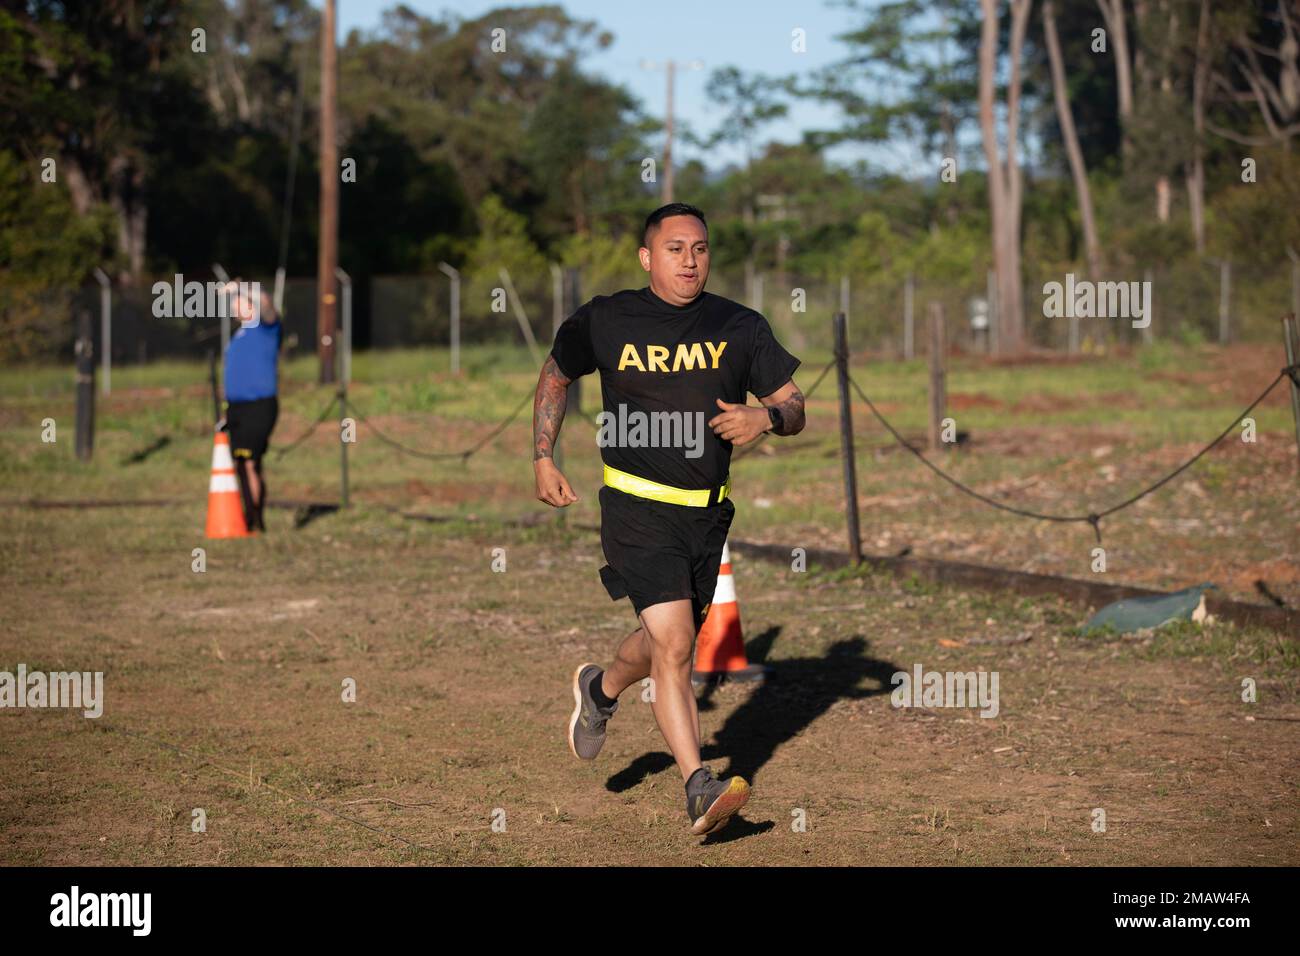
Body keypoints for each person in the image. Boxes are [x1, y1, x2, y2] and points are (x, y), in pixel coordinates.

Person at [533, 202, 806, 836]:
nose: (690, 260)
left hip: (706, 519)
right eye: (676, 248)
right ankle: (698, 785)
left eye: (701, 249)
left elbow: (794, 405)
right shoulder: (607, 317)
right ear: (647, 257)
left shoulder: (740, 325)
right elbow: (556, 371)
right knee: (678, 646)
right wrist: (543, 457)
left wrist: (763, 418)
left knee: (662, 645)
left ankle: (601, 688)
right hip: (634, 507)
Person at [220, 282, 281, 534]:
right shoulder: (239, 335)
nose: (234, 305)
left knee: (249, 461)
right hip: (237, 407)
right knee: (243, 462)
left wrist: (242, 287)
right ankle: (251, 515)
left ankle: (254, 520)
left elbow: (267, 303)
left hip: (259, 406)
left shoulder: (266, 328)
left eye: (239, 301)